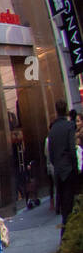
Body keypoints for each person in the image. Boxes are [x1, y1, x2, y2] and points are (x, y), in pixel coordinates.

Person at [47, 100, 78, 236]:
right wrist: (75, 166)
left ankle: (65, 232)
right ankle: (68, 233)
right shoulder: (69, 126)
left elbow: (51, 153)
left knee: (65, 204)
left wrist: (57, 166)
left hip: (59, 170)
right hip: (68, 169)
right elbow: (72, 148)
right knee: (71, 202)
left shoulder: (52, 130)